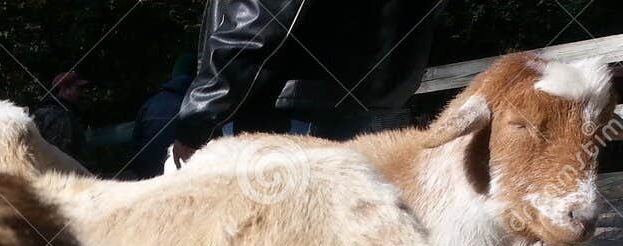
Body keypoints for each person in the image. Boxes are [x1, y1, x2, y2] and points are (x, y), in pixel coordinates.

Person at [170, 0, 443, 166]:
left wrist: (199, 118)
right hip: (370, 97)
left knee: (272, 240)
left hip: (289, 108)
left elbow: (257, 24)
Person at [129, 53, 196, 178]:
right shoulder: (200, 106)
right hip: (182, 178)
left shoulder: (149, 104)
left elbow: (135, 149)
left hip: (147, 178)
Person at [32, 69, 87, 163]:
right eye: (77, 88)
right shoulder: (61, 116)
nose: (80, 93)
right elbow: (60, 156)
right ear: (66, 90)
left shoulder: (41, 111)